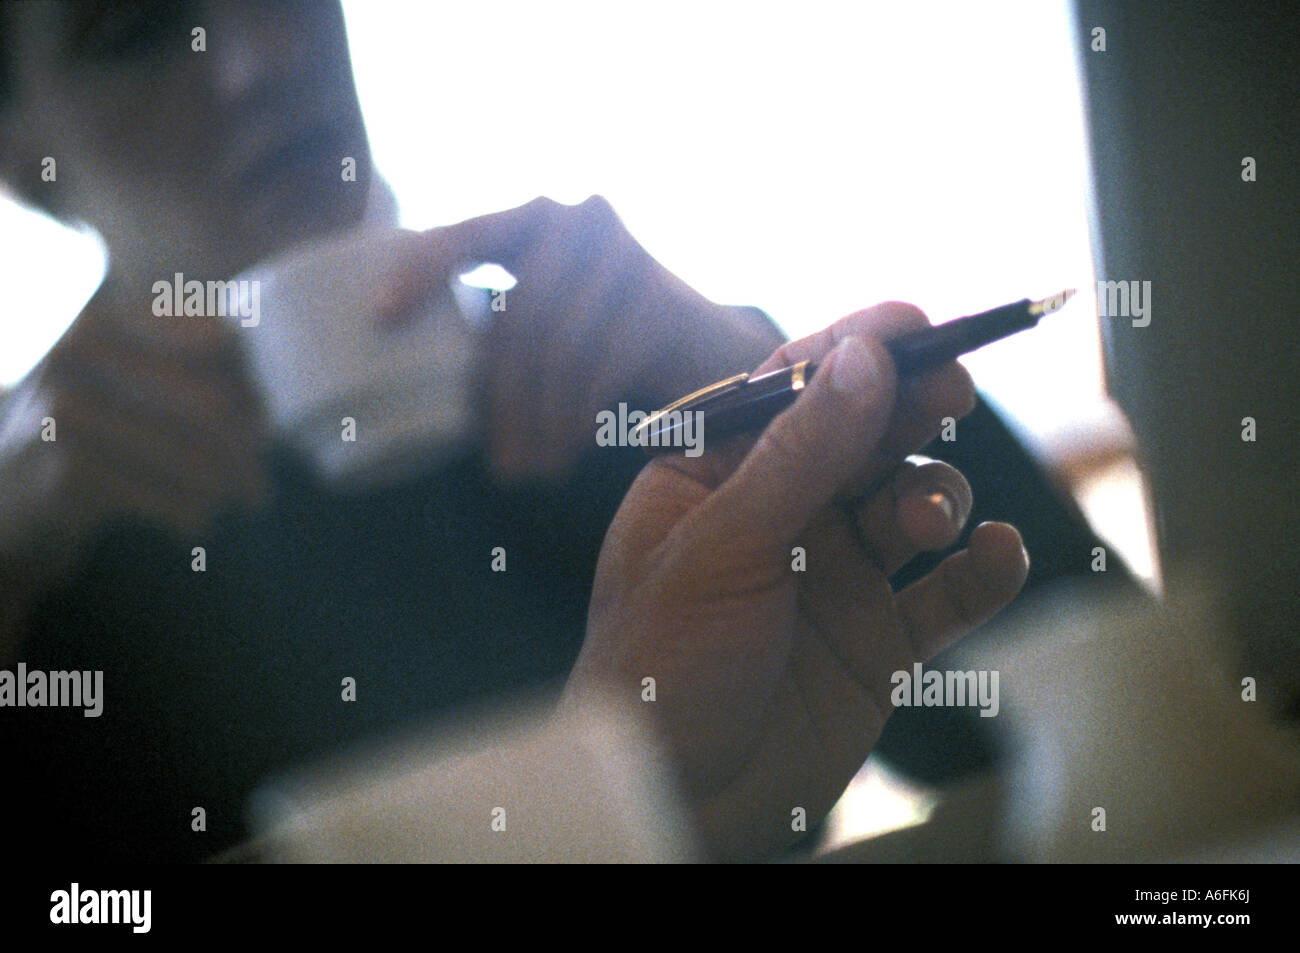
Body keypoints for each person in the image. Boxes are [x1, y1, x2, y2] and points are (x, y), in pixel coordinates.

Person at [0, 1, 1119, 861]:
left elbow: (1120, 778)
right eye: (136, 30)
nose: (266, 63)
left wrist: (776, 387)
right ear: (15, 152)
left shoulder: (632, 394)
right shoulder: (32, 552)